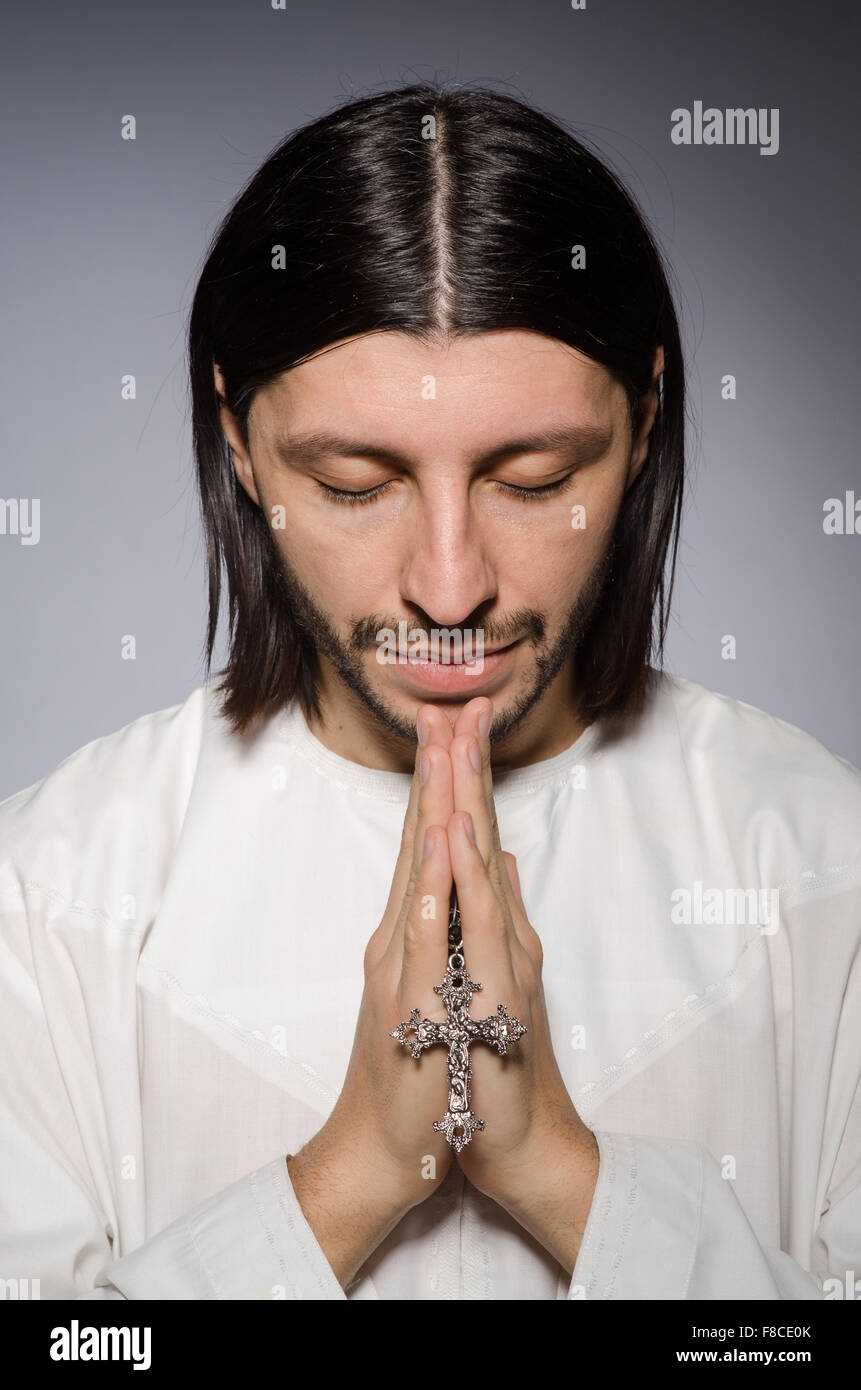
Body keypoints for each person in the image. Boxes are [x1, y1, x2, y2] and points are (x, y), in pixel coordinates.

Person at [1, 82, 859, 1302]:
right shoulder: (44, 902)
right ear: (238, 441)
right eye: (354, 482)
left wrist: (562, 1174)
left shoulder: (831, 874)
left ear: (650, 419)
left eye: (534, 475)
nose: (449, 588)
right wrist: (350, 1175)